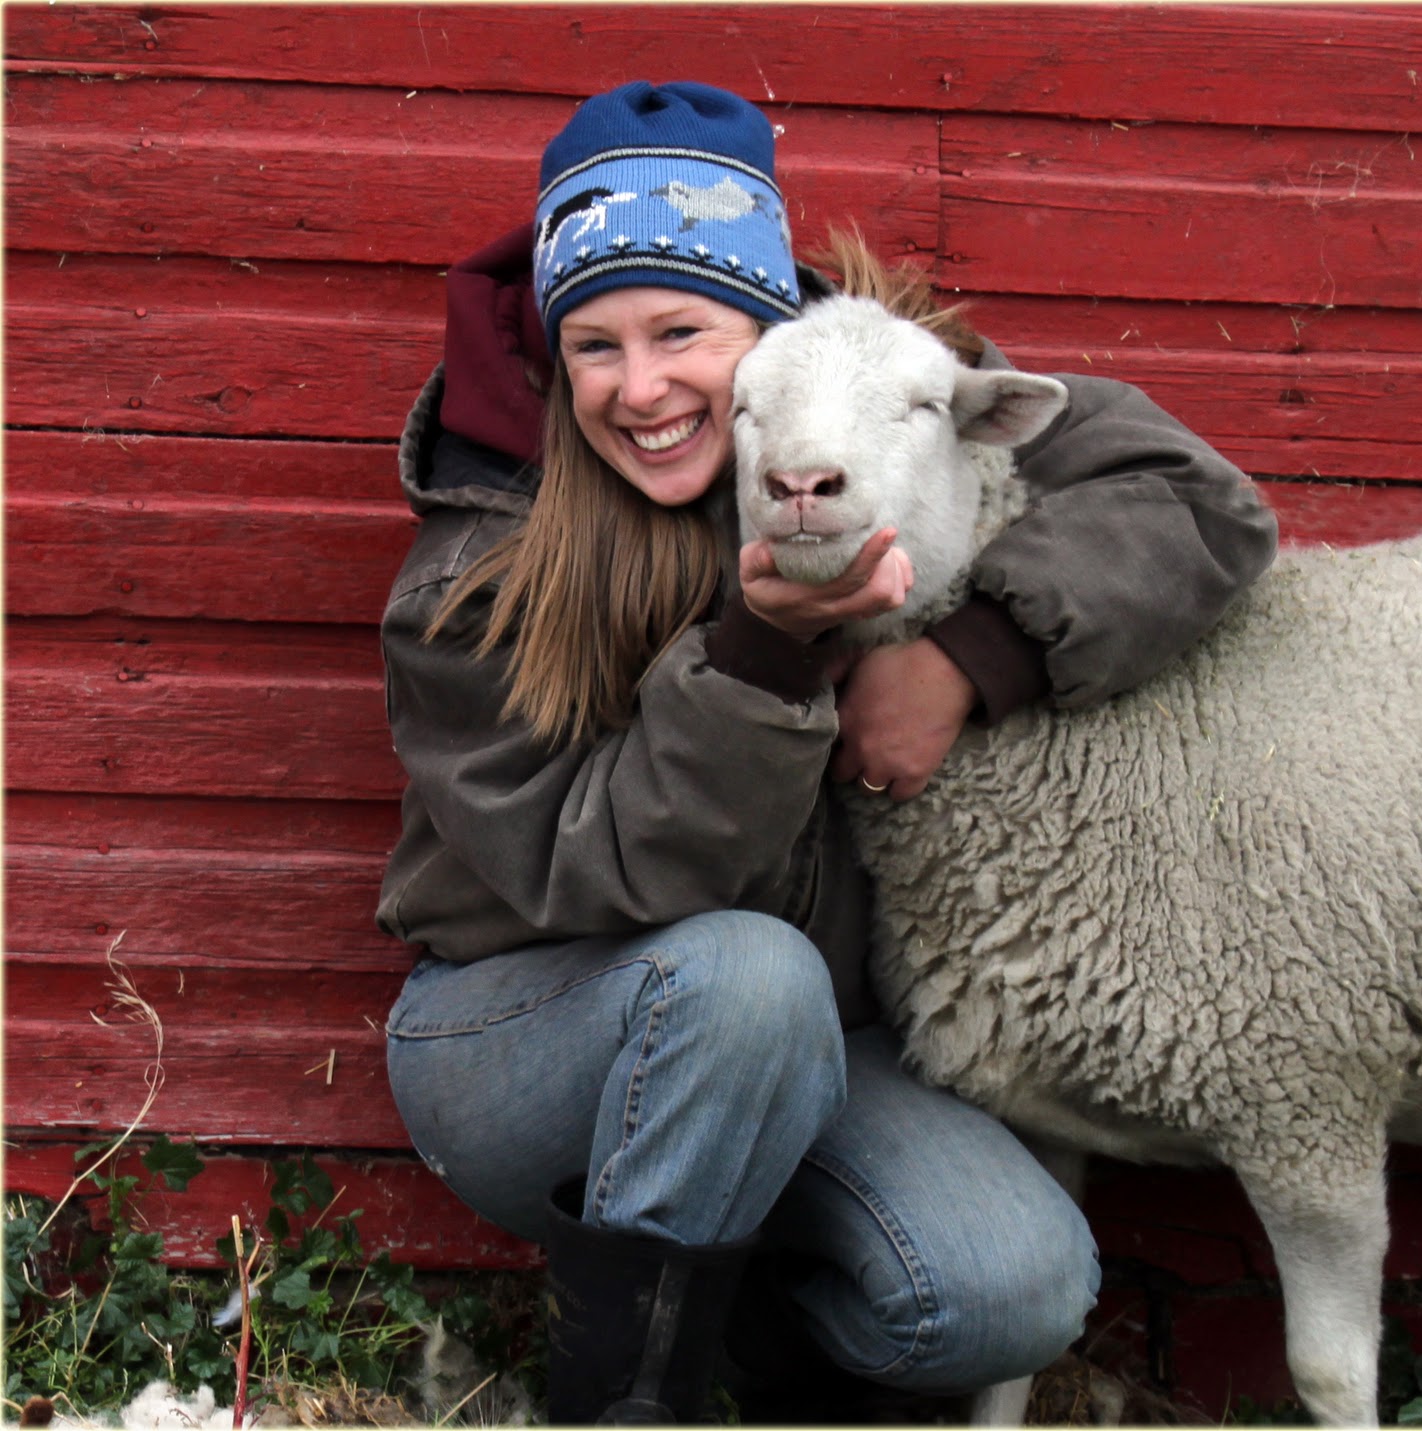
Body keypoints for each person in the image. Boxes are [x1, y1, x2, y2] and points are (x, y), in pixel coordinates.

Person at [378, 80, 1278, 1425]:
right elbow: (626, 876)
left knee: (1015, 1287)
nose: (644, 389)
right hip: (530, 1038)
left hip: (814, 1051)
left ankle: (733, 1351)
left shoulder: (862, 398)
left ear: (765, 325)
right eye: (596, 348)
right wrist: (767, 656)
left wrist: (969, 656)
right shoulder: (477, 567)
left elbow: (1195, 500)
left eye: (684, 333)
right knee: (746, 975)